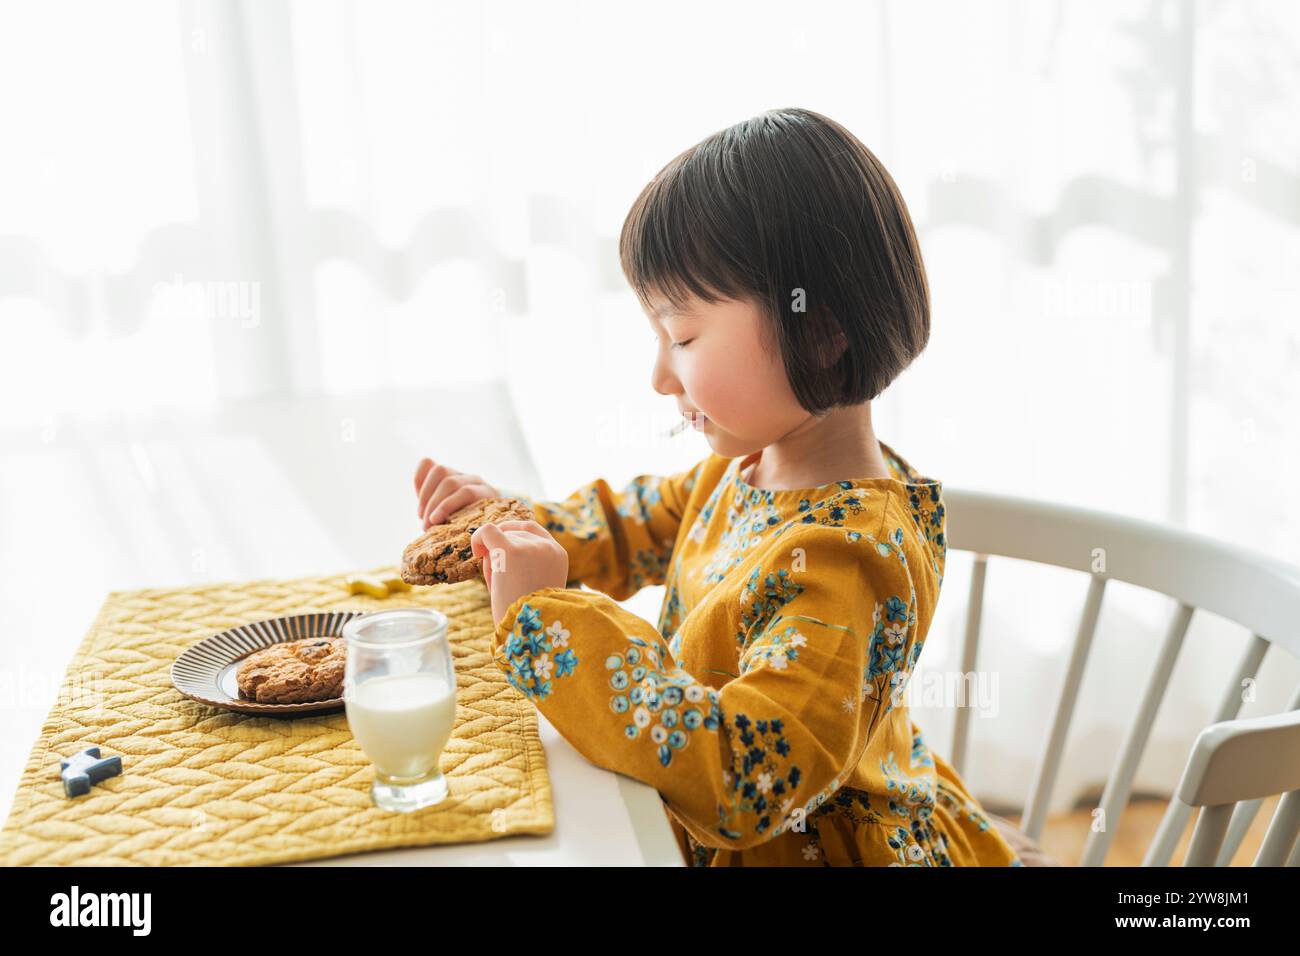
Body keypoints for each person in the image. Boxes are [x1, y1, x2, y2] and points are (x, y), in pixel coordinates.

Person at [413, 108, 1022, 867]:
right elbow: (630, 523)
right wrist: (513, 531)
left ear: (822, 330)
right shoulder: (745, 469)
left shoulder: (847, 555)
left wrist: (548, 620)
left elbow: (746, 778)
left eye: (685, 336)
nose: (661, 375)